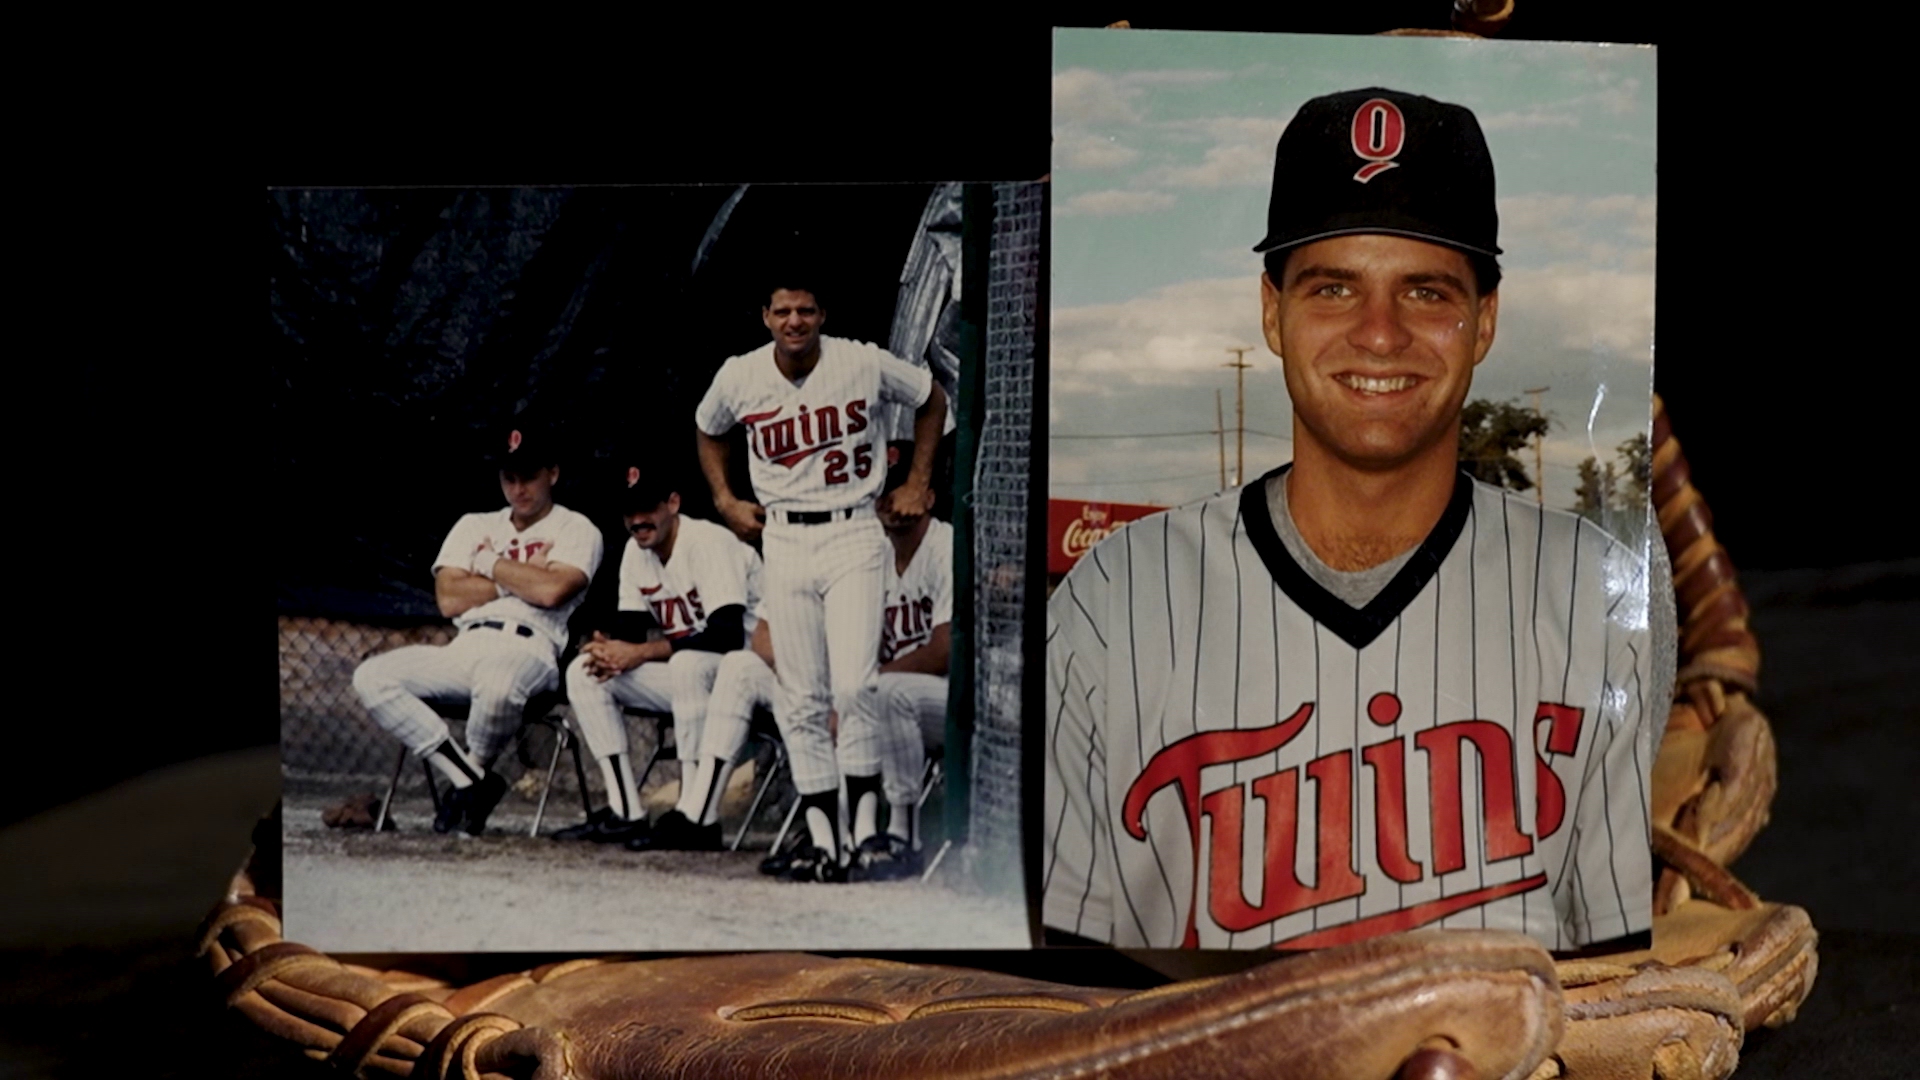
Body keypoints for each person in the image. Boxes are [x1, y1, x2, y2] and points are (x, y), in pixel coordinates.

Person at [1044, 88, 1656, 952]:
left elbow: (1625, 978)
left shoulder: (1597, 604)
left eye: (1426, 292)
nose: (1379, 334)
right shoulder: (1112, 602)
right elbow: (1060, 987)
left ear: (1483, 321)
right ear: (1271, 311)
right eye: (1333, 288)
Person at [695, 277, 947, 882]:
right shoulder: (740, 375)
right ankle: (823, 839)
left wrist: (915, 479)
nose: (794, 321)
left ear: (822, 314)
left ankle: (865, 837)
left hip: (854, 528)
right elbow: (708, 428)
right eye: (782, 310)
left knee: (857, 686)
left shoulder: (861, 361)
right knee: (801, 694)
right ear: (765, 316)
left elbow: (933, 396)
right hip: (783, 534)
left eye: (805, 310)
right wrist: (725, 499)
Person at [352, 424, 602, 836]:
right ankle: (472, 781)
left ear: (553, 474)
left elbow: (552, 590)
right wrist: (519, 577)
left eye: (529, 477)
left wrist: (487, 563)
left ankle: (470, 780)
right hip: (466, 645)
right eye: (510, 478)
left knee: (499, 682)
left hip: (531, 647)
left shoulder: (576, 528)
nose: (518, 489)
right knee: (372, 676)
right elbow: (449, 598)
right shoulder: (474, 524)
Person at [555, 466, 761, 849]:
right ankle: (625, 811)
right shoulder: (636, 552)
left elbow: (727, 634)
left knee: (688, 664)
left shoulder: (708, 542)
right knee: (584, 672)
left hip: (748, 674)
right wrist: (609, 651)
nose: (637, 520)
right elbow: (631, 636)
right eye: (629, 511)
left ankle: (698, 814)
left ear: (673, 503)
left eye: (647, 508)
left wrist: (640, 652)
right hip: (696, 680)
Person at [840, 443, 953, 881]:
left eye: (903, 487)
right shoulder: (872, 555)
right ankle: (845, 837)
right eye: (882, 490)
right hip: (897, 699)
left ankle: (903, 837)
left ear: (928, 496)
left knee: (882, 691)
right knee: (848, 696)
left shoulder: (945, 547)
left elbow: (945, 649)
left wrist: (868, 682)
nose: (891, 501)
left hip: (958, 700)